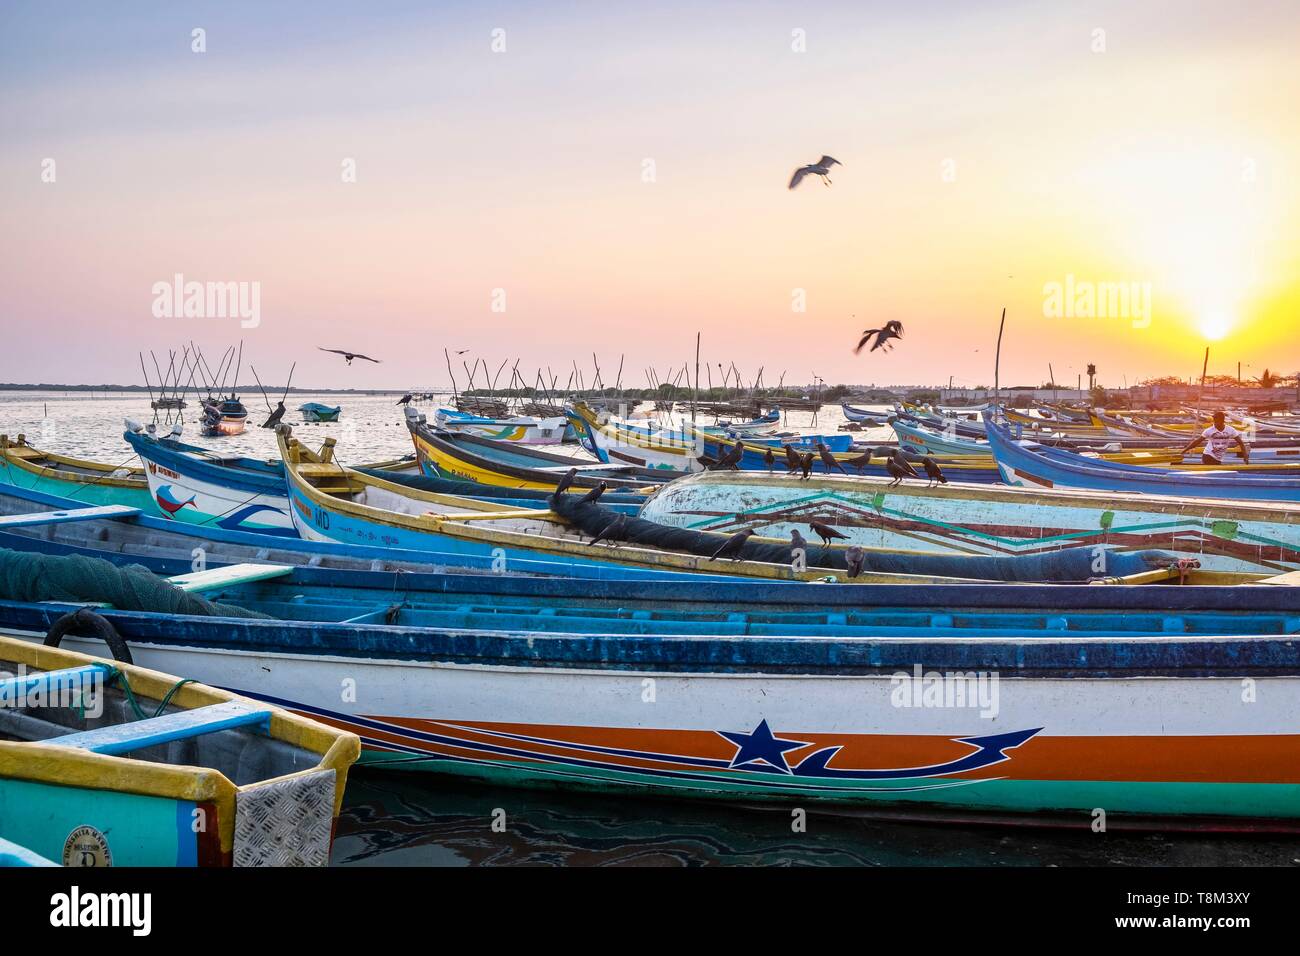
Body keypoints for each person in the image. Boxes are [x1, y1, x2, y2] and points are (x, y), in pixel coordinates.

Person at [1180, 411, 1250, 465]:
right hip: (1208, 456)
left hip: (1219, 458)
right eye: (1214, 421)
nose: (1214, 423)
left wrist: (1245, 456)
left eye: (1216, 421)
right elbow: (1197, 442)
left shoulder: (1230, 430)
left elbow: (1240, 443)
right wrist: (1184, 451)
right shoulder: (1209, 430)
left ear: (1222, 421)